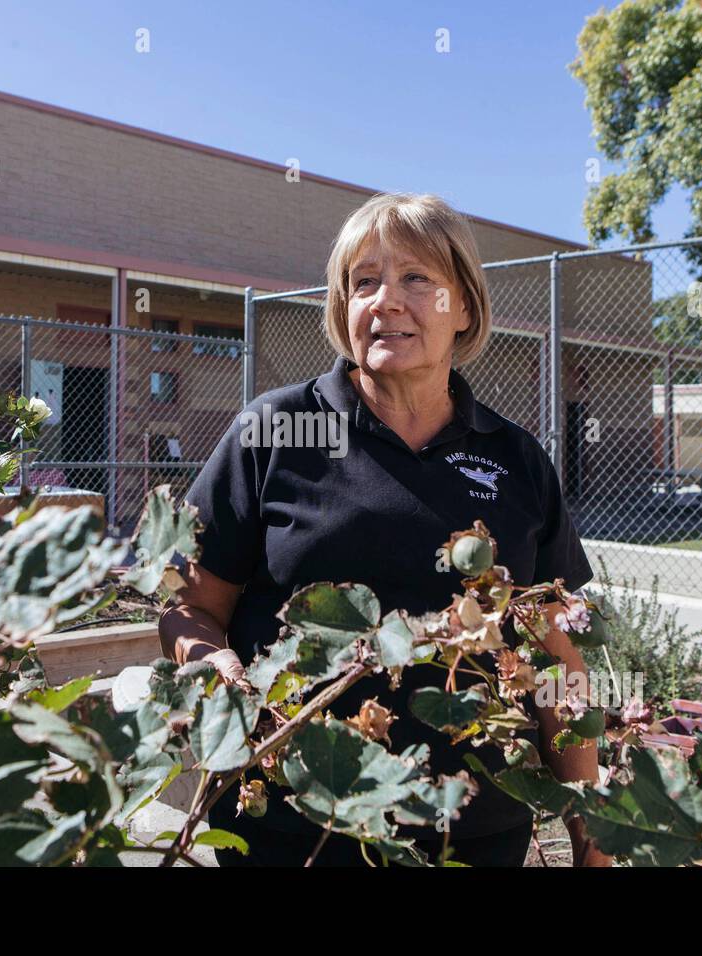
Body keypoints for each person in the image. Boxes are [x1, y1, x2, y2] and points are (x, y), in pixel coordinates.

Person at [159, 192, 610, 867]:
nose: (386, 300)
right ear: (343, 307)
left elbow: (555, 659)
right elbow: (190, 604)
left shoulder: (516, 459)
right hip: (292, 825)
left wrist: (591, 831)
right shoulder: (276, 429)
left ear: (463, 306)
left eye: (416, 278)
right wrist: (214, 667)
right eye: (363, 281)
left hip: (473, 831)